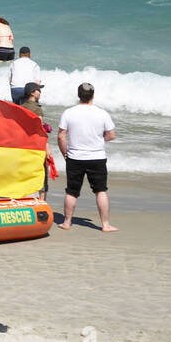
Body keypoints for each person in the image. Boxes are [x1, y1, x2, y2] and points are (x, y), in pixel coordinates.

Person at [57, 83, 118, 232]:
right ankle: (105, 225)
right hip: (96, 156)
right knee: (100, 191)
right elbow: (111, 135)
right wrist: (98, 138)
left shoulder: (69, 112)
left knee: (72, 191)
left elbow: (61, 136)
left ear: (78, 95)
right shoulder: (102, 113)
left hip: (75, 157)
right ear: (93, 95)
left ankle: (66, 222)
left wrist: (65, 153)